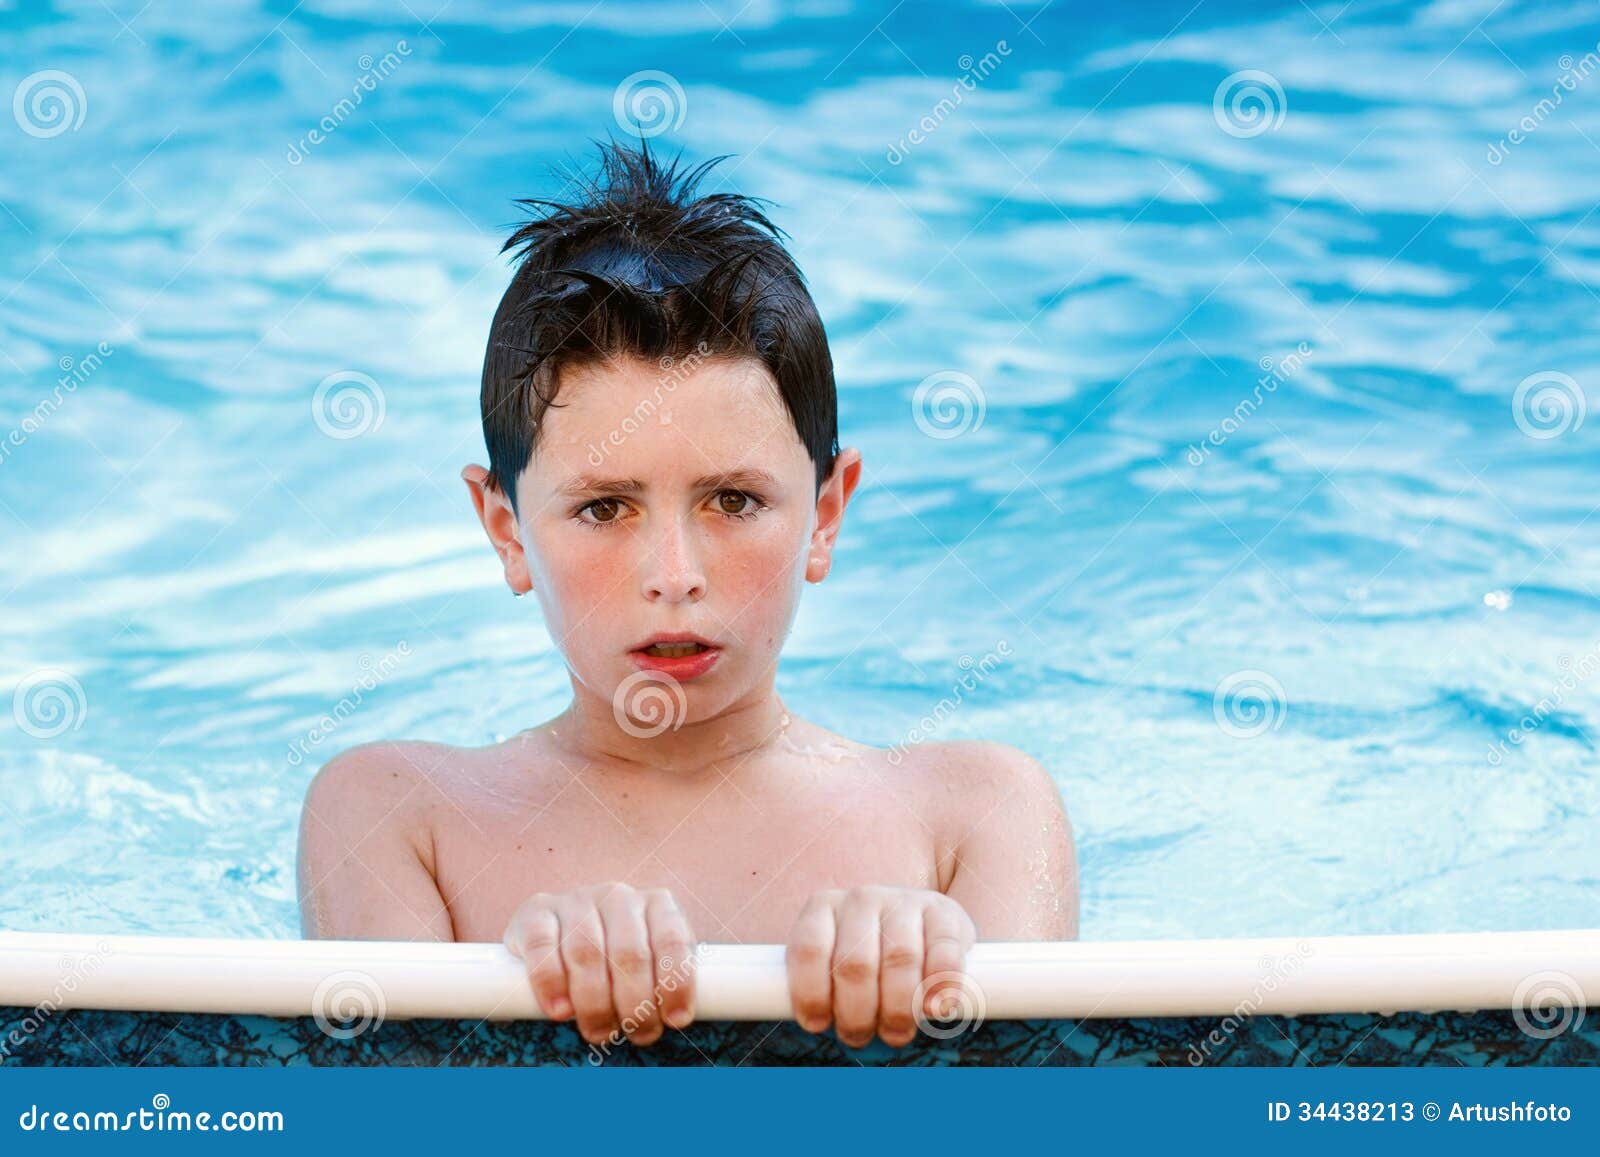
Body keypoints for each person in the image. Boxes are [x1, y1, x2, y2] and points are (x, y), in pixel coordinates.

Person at [297, 141, 1077, 1051]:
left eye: (734, 500)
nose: (674, 571)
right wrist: (513, 1014)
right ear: (506, 528)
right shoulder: (397, 817)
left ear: (826, 514)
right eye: (602, 507)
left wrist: (937, 975)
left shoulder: (973, 818)